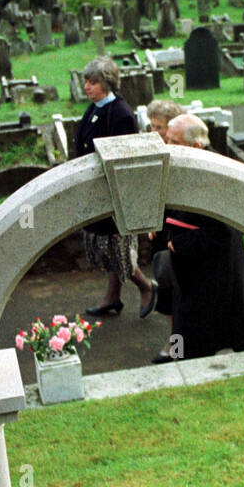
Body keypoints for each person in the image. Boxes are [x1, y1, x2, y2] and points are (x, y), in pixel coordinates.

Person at [157, 113, 244, 361]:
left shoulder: (214, 174)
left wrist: (178, 243)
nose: (168, 147)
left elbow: (221, 232)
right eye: (167, 140)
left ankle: (191, 359)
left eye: (174, 142)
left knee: (205, 329)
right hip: (192, 267)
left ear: (195, 146)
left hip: (213, 271)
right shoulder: (189, 162)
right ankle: (182, 353)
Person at [73, 57, 157, 319]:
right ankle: (113, 298)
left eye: (93, 82)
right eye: (86, 81)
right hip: (96, 190)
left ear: (106, 83)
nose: (87, 87)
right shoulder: (94, 108)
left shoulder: (120, 113)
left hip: (116, 193)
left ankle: (146, 287)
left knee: (116, 248)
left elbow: (125, 157)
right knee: (106, 247)